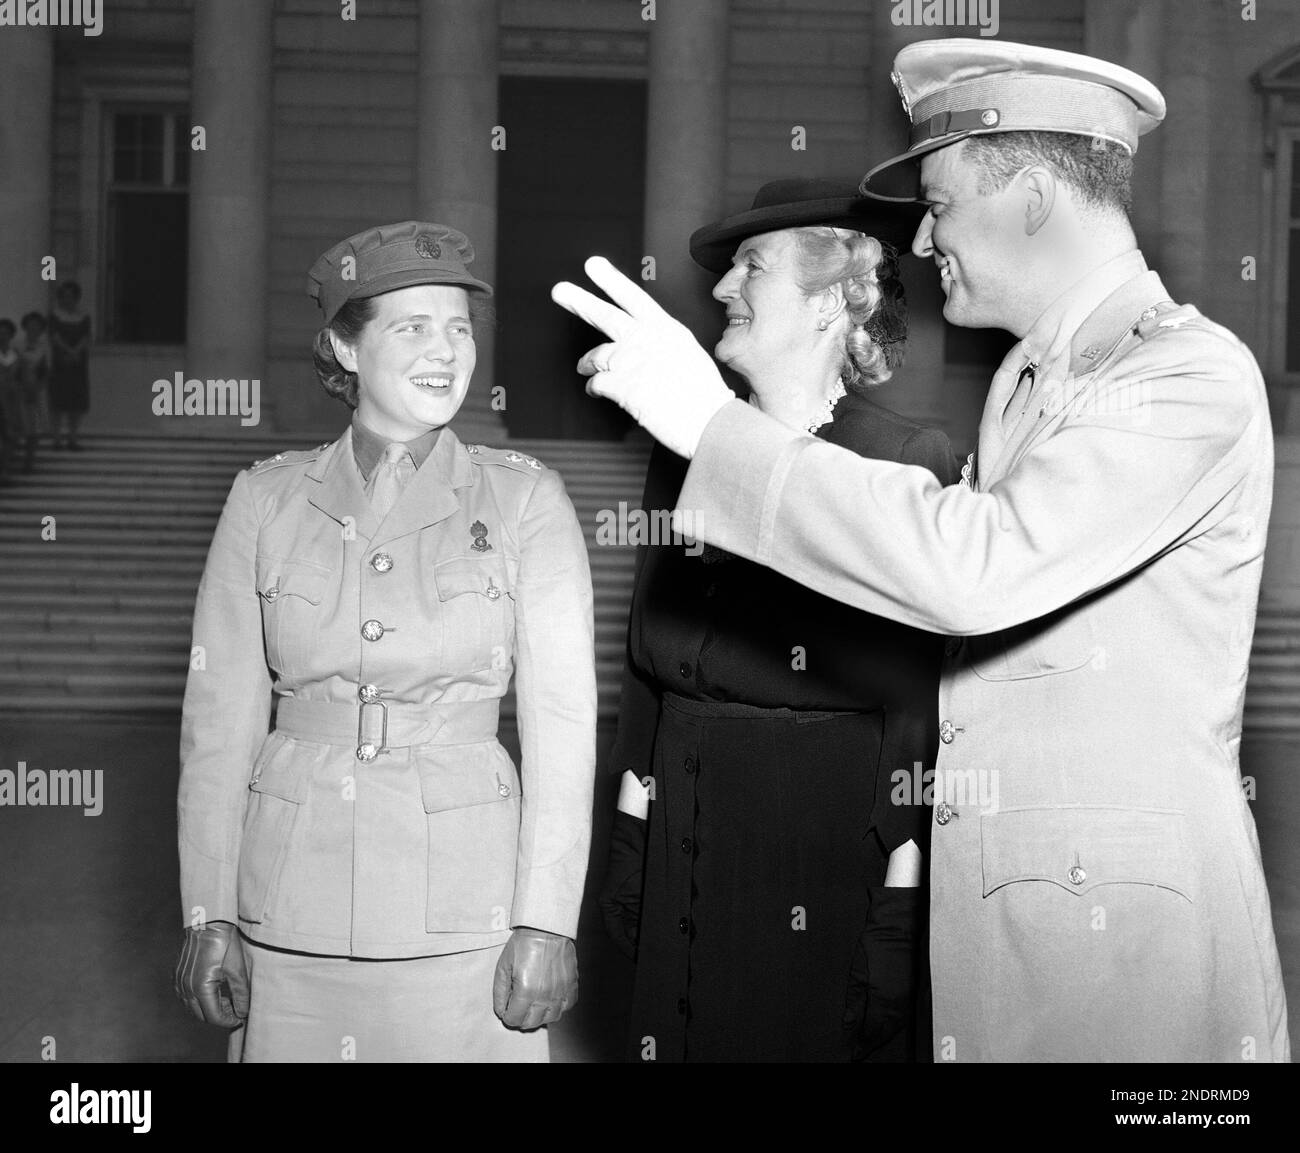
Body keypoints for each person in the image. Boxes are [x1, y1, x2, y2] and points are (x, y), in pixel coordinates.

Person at [554, 39, 1291, 1062]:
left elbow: (973, 567)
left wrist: (712, 431)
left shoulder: (1181, 373)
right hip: (1016, 930)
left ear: (1031, 196)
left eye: (940, 203)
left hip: (1115, 958)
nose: (925, 236)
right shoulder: (1033, 385)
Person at [175, 221, 597, 1062]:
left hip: (467, 922)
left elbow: (563, 727)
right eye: (412, 326)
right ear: (344, 344)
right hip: (292, 912)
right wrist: (208, 910)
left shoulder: (523, 502)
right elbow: (218, 726)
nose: (446, 350)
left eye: (459, 327)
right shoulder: (264, 501)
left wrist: (546, 919)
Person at [598, 179, 958, 1063]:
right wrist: (631, 834)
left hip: (817, 852)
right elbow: (648, 668)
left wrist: (899, 902)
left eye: (751, 267)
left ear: (835, 299)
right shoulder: (681, 447)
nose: (722, 288)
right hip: (682, 826)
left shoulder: (905, 461)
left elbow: (918, 716)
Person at [47, 280, 90, 451]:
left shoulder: (84, 316)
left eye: (71, 297)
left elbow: (86, 337)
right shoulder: (55, 316)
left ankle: (73, 438)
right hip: (60, 363)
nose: (67, 300)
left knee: (76, 402)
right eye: (64, 297)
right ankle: (57, 438)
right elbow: (54, 337)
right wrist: (69, 351)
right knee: (58, 401)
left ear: (76, 298)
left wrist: (76, 351)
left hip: (78, 364)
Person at [17, 312, 49, 473]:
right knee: (18, 425)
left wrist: (36, 388)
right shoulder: (16, 344)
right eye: (30, 323)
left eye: (37, 324)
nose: (33, 327)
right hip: (18, 391)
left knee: (33, 428)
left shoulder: (45, 347)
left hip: (37, 391)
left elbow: (46, 371)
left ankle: (29, 462)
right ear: (25, 325)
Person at [0, 319, 20, 481]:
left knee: (10, 435)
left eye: (5, 332)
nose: (2, 335)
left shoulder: (16, 354)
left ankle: (5, 470)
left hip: (10, 401)